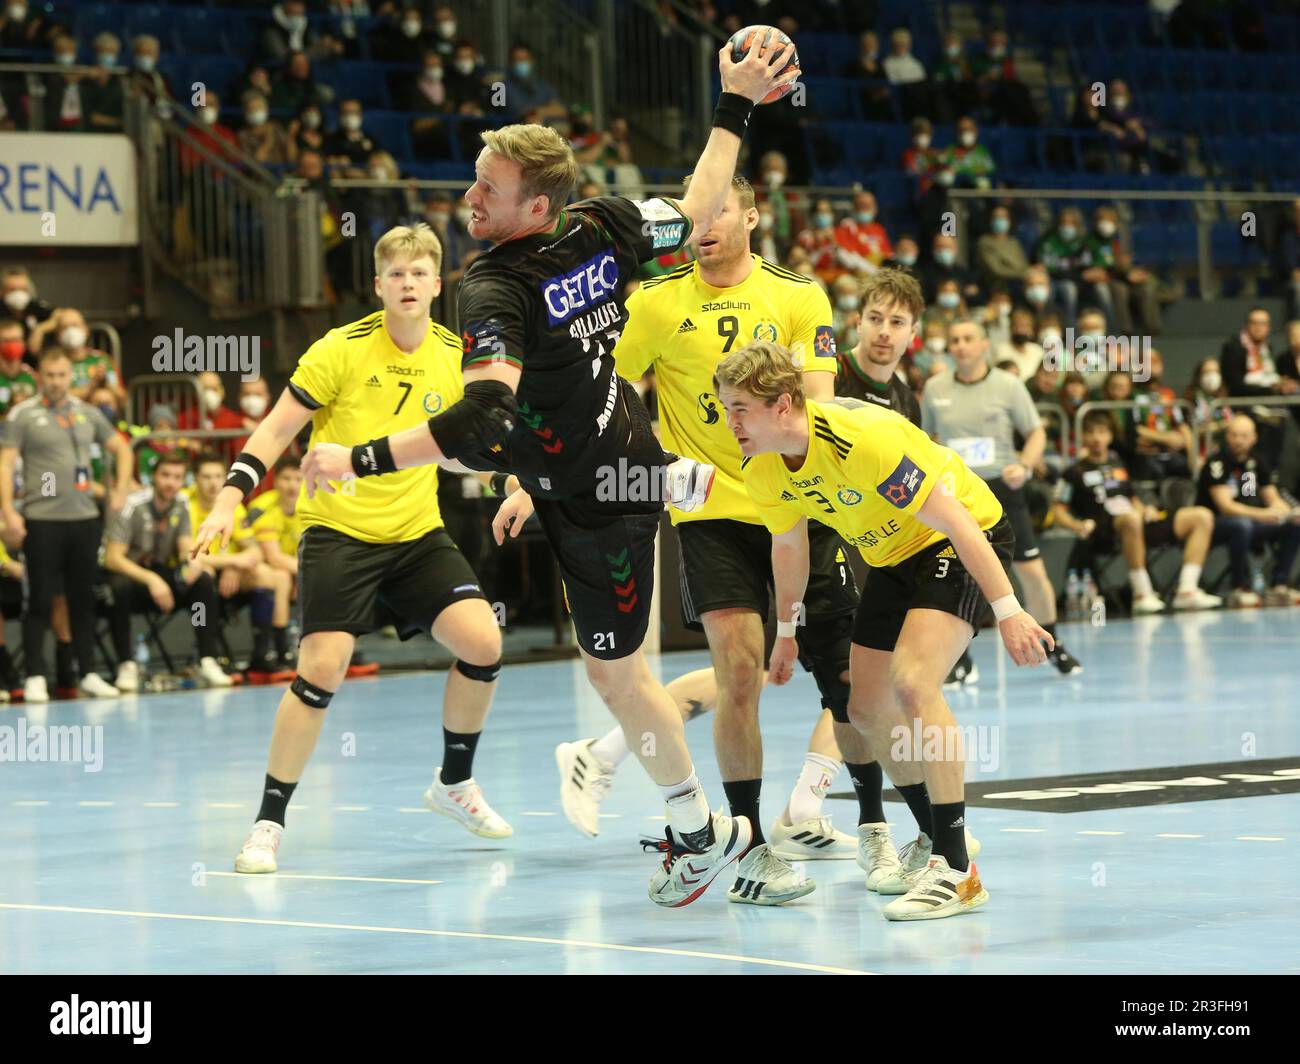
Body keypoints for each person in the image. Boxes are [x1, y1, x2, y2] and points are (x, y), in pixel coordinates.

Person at [296, 45, 797, 907]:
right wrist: (735, 104)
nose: (467, 200)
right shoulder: (601, 223)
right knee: (617, 669)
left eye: (483, 190)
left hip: (603, 499)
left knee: (617, 678)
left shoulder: (493, 286)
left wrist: (358, 457)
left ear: (533, 204)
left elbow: (483, 419)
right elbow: (700, 201)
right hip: (594, 462)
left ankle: (695, 834)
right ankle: (680, 485)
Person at [554, 174, 866, 906]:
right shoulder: (656, 303)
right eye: (696, 214)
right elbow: (598, 396)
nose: (705, 224)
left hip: (795, 506)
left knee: (846, 678)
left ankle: (885, 828)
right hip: (710, 512)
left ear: (754, 214)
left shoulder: (798, 295)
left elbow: (818, 410)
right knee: (738, 666)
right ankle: (752, 845)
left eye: (721, 208)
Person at [193, 224, 511, 874]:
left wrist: (512, 481)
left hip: (416, 533)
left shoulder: (455, 357)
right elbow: (279, 427)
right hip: (339, 533)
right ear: (378, 284)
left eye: (420, 273)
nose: (408, 283)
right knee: (322, 670)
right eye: (396, 274)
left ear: (437, 282)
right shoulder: (341, 348)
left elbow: (465, 448)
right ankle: (267, 822)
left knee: (484, 644)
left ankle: (453, 783)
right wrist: (229, 497)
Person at [715, 339, 1053, 921]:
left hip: (958, 538)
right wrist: (788, 630)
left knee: (914, 682)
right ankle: (930, 836)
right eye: (726, 407)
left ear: (783, 404)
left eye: (741, 408)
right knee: (863, 706)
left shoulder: (859, 440)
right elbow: (789, 546)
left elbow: (955, 520)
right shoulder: (765, 469)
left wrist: (1009, 609)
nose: (731, 422)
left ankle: (958, 869)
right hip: (895, 558)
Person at [922, 318, 1083, 685]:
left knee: (1032, 571)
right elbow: (924, 437)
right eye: (954, 339)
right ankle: (958, 658)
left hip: (1001, 488)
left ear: (984, 346)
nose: (960, 345)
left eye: (967, 338)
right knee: (955, 572)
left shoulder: (1008, 386)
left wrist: (1024, 465)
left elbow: (1037, 432)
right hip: (954, 492)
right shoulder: (934, 388)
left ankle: (1052, 642)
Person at [1, 348, 133, 702]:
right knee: (40, 599)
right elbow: (6, 461)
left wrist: (120, 488)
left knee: (82, 599)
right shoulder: (23, 415)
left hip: (84, 519)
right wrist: (9, 513)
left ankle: (87, 671)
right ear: (39, 377)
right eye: (50, 375)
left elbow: (122, 448)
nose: (56, 382)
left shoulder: (87, 414)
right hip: (42, 520)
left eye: (62, 375)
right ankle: (35, 676)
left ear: (70, 377)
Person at [1054, 411, 1222, 614]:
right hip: (1105, 531)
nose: (1097, 438)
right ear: (1082, 437)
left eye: (1102, 432)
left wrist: (1146, 509)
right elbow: (1057, 511)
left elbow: (1132, 498)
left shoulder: (1118, 463)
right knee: (1131, 519)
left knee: (1201, 516)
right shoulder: (1073, 472)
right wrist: (1077, 525)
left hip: (1136, 522)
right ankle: (1142, 594)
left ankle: (1187, 590)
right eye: (1090, 433)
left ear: (1110, 436)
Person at [104, 451, 232, 691]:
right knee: (117, 588)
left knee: (201, 582)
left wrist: (194, 562)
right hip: (130, 574)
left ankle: (207, 658)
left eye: (177, 477)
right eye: (165, 475)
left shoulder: (181, 503)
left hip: (161, 572)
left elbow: (184, 547)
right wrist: (152, 580)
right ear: (153, 477)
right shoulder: (132, 505)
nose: (171, 482)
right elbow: (112, 559)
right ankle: (126, 665)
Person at [1196, 414, 1300, 608]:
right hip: (1215, 524)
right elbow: (1226, 508)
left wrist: (1289, 513)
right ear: (1227, 437)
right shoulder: (1217, 463)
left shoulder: (1256, 462)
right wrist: (1264, 515)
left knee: (1293, 526)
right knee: (1241, 526)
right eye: (1234, 435)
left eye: (1244, 436)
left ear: (1254, 438)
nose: (1238, 441)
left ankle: (1279, 584)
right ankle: (1240, 587)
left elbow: (1273, 499)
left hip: (1251, 521)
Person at [0, 318, 36, 415]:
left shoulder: (32, 376)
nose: (12, 345)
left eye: (16, 340)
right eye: (6, 341)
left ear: (23, 343)